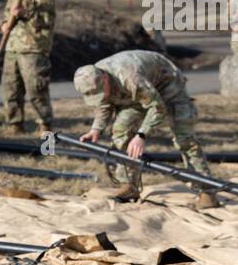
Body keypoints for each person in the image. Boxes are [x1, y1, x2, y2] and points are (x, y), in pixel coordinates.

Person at [74, 49, 219, 210]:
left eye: (101, 92)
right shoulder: (94, 77)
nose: (101, 96)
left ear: (105, 78)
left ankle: (207, 193)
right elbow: (104, 103)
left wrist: (141, 135)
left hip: (168, 86)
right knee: (121, 131)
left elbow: (157, 108)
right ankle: (129, 185)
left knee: (185, 139)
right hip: (138, 95)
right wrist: (96, 129)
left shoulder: (130, 77)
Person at [0, 0, 55, 134]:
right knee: (10, 88)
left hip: (33, 47)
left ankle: (44, 127)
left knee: (36, 89)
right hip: (12, 46)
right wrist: (5, 23)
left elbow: (48, 18)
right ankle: (15, 126)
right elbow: (8, 12)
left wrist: (25, 12)